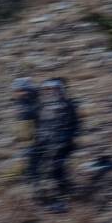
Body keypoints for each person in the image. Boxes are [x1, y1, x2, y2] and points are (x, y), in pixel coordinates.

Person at [40, 78, 79, 206]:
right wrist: (43, 139)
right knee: (48, 170)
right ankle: (60, 193)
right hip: (50, 143)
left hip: (63, 143)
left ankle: (66, 193)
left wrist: (67, 138)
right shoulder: (46, 107)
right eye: (48, 90)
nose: (51, 92)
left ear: (60, 90)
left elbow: (74, 124)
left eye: (54, 89)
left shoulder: (67, 104)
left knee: (57, 168)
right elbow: (44, 126)